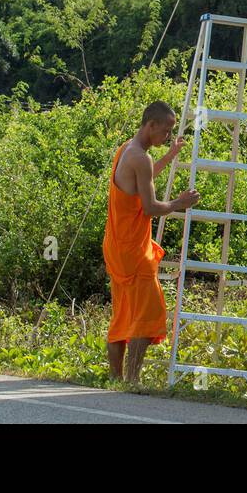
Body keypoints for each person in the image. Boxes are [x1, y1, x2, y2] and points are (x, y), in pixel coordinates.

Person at [104, 100, 199, 384]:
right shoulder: (139, 157)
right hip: (133, 251)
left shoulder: (127, 149)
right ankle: (131, 380)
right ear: (151, 125)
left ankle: (115, 379)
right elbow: (149, 207)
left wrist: (170, 155)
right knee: (148, 313)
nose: (168, 135)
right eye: (166, 130)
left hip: (117, 246)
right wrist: (179, 203)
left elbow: (143, 179)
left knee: (123, 313)